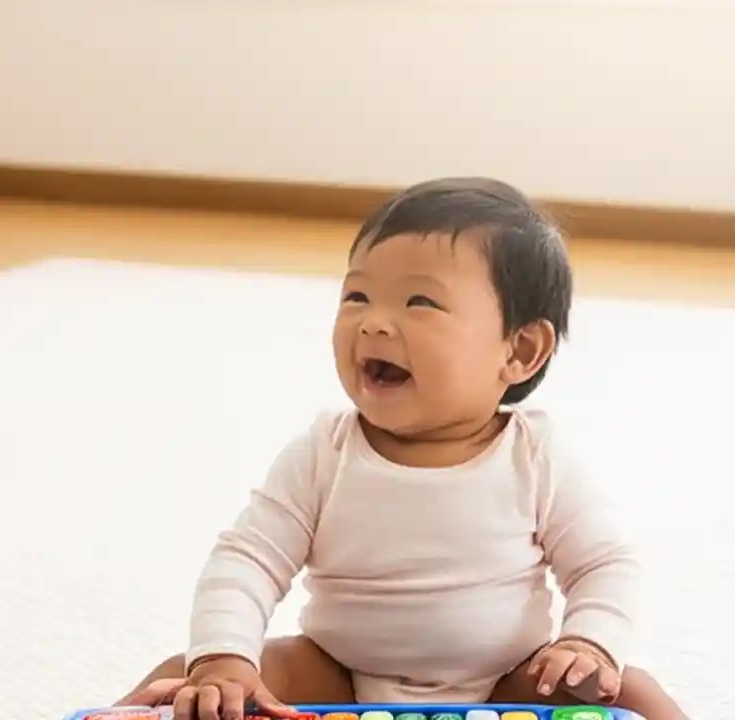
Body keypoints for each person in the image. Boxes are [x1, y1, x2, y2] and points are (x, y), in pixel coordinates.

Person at [119, 178, 687, 720]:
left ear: (519, 349)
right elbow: (248, 558)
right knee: (188, 679)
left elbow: (604, 563)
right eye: (357, 296)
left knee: (630, 690)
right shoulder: (325, 451)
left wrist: (588, 642)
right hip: (338, 675)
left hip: (504, 682)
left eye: (419, 302)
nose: (372, 324)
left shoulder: (536, 456)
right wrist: (225, 656)